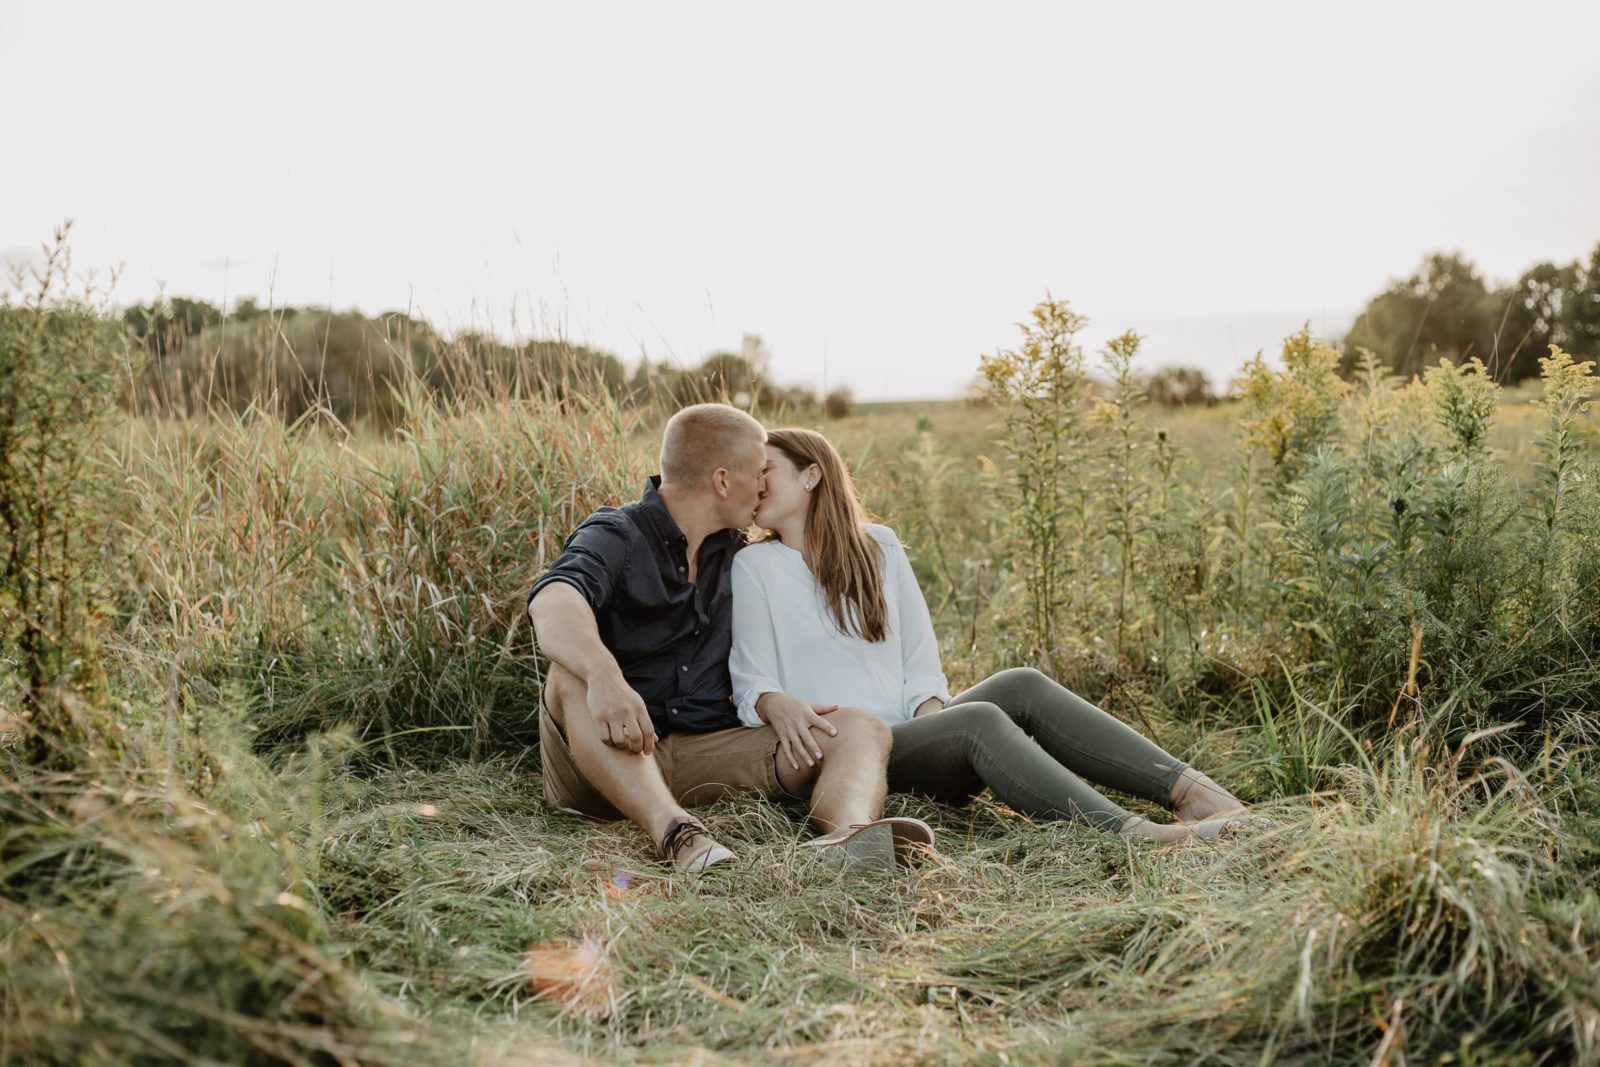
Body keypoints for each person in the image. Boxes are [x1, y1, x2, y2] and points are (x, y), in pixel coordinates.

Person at [729, 427, 1248, 846]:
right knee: (978, 720)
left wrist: (937, 725)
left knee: (1020, 685)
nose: (756, 485)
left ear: (812, 475)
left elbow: (921, 661)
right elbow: (752, 682)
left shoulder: (879, 547)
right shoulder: (753, 566)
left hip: (914, 737)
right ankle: (1138, 837)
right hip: (851, 754)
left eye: (766, 471)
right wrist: (777, 703)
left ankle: (1197, 793)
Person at [526, 404, 936, 873]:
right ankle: (679, 835)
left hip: (709, 751)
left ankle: (849, 840)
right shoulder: (618, 534)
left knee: (859, 726)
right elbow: (553, 601)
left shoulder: (740, 556)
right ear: (723, 482)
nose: (764, 485)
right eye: (758, 472)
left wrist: (772, 700)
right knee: (571, 672)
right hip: (607, 753)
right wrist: (605, 676)